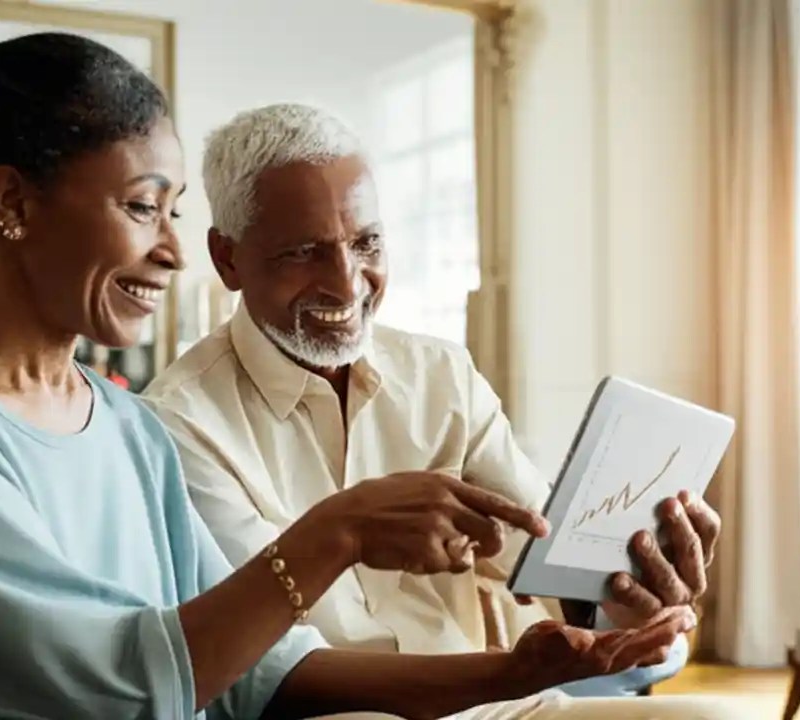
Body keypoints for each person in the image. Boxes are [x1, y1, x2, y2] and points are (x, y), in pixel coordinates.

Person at [0, 33, 723, 720]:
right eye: (145, 208)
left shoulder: (120, 424)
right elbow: (125, 690)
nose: (171, 253)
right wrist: (340, 531)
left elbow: (265, 675)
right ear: (13, 201)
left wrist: (519, 670)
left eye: (173, 212)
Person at [143, 104, 721, 713]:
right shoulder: (179, 424)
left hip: (499, 706)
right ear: (227, 258)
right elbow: (274, 673)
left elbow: (544, 554)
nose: (347, 283)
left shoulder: (443, 376)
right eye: (304, 252)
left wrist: (621, 590)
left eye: (366, 242)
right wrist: (510, 672)